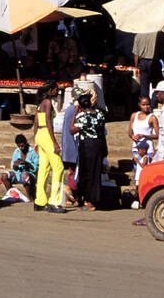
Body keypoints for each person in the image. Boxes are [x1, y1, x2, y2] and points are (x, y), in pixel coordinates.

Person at [70, 89, 107, 211]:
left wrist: (75, 113)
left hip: (86, 146)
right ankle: (94, 199)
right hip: (98, 145)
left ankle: (87, 200)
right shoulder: (99, 115)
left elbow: (72, 130)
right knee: (95, 172)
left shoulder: (82, 117)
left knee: (85, 173)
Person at [32, 81, 65, 213]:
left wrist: (36, 140)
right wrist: (55, 143)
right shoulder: (48, 103)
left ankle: (40, 201)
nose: (57, 91)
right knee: (58, 167)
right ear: (50, 90)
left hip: (40, 135)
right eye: (56, 89)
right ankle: (54, 202)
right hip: (46, 134)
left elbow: (35, 122)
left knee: (43, 169)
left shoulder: (40, 104)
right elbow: (48, 122)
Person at [128, 96, 159, 169]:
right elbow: (130, 133)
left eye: (148, 104)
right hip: (136, 149)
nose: (146, 107)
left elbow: (158, 135)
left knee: (146, 170)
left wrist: (145, 136)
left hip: (148, 150)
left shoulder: (152, 118)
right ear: (139, 104)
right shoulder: (134, 116)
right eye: (143, 105)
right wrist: (133, 136)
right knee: (137, 169)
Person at [133, 31, 159, 101]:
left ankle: (145, 105)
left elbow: (136, 54)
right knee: (156, 86)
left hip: (143, 62)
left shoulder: (138, 34)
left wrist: (136, 67)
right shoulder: (157, 34)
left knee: (144, 86)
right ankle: (154, 104)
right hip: (154, 61)